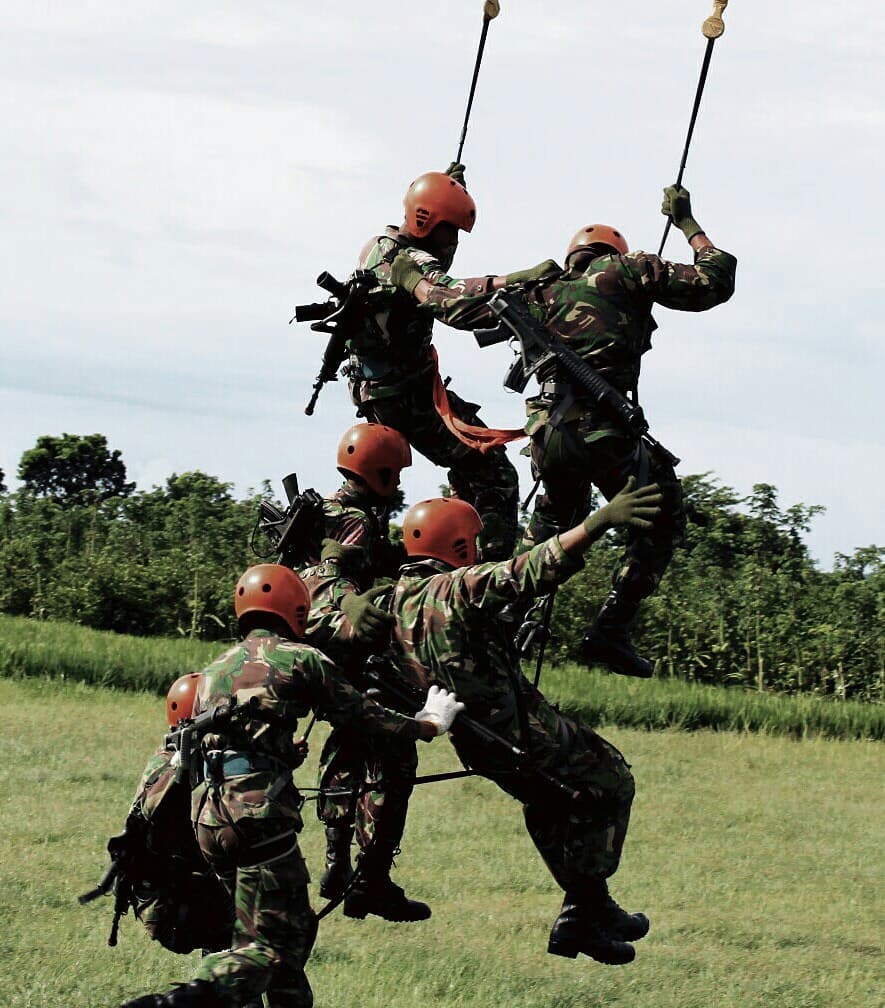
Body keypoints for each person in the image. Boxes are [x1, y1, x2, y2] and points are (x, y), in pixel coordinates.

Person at [389, 184, 737, 677]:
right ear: (611, 252)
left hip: (549, 439)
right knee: (661, 515)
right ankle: (610, 630)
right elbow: (715, 280)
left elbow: (457, 309)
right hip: (604, 430)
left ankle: (495, 627)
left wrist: (413, 277)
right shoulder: (629, 269)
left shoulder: (537, 290)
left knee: (548, 538)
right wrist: (687, 222)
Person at [120, 564, 462, 1008]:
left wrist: (279, 752)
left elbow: (230, 740)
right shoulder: (303, 658)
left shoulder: (215, 669)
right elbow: (364, 719)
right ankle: (182, 1000)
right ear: (297, 608)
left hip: (209, 818)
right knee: (271, 947)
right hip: (258, 819)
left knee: (276, 929)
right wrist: (428, 724)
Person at [357, 483, 663, 965]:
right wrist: (599, 522)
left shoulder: (388, 604)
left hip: (480, 745)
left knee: (548, 803)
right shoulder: (456, 588)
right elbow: (529, 569)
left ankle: (590, 908)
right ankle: (584, 911)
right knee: (611, 779)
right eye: (473, 541)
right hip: (524, 734)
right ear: (458, 544)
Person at [347, 163, 559, 560]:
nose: (454, 243)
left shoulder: (380, 246)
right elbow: (453, 304)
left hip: (390, 390)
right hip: (406, 399)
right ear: (425, 223)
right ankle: (486, 572)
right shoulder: (407, 262)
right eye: (451, 232)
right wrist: (519, 281)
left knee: (470, 467)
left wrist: (445, 192)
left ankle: (454, 551)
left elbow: (440, 279)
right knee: (493, 472)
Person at [295, 423, 429, 920]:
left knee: (346, 748)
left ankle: (336, 863)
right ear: (381, 471)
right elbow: (332, 579)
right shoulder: (355, 520)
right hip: (349, 649)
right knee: (393, 758)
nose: (399, 482)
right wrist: (354, 603)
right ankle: (371, 879)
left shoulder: (328, 510)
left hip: (320, 653)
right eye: (395, 472)